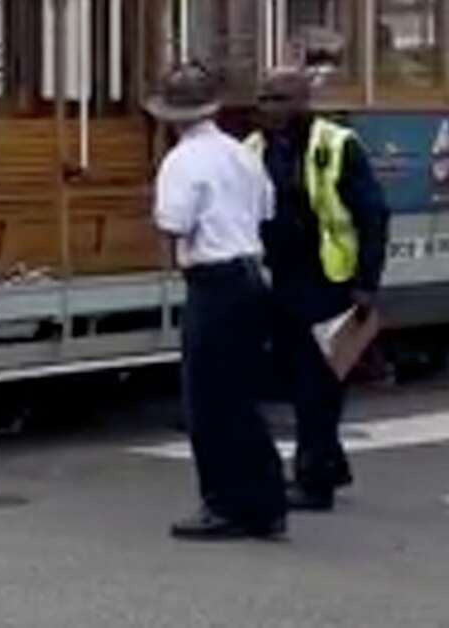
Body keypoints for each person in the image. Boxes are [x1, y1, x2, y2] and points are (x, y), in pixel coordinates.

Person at [149, 62, 286, 541]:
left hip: (213, 282)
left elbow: (175, 223)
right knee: (242, 398)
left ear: (171, 115)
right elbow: (266, 208)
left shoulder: (181, 161)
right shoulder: (241, 153)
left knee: (207, 402)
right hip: (251, 274)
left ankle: (224, 503)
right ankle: (266, 501)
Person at [248, 67, 389, 512]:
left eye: (279, 99)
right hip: (282, 279)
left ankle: (314, 482)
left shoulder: (336, 144)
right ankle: (330, 463)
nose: (269, 108)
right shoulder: (252, 149)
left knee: (318, 384)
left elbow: (373, 214)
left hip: (331, 279)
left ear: (304, 101)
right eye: (264, 99)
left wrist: (367, 283)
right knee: (295, 379)